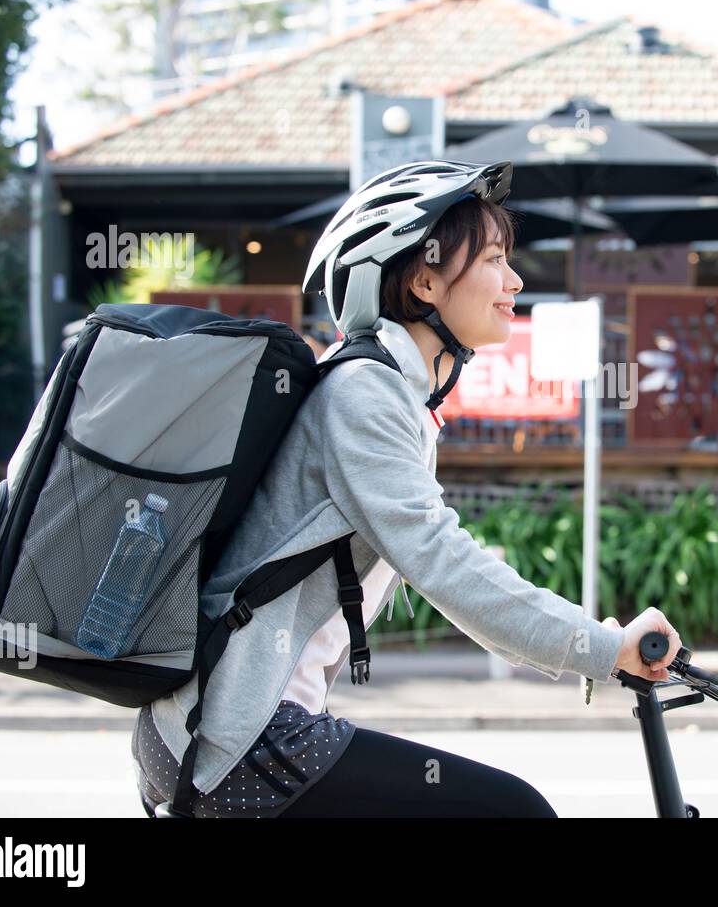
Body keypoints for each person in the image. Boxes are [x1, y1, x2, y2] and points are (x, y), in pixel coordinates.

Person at [131, 159, 682, 818]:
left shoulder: (391, 391)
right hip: (233, 738)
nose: (514, 281)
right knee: (515, 812)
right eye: (495, 259)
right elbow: (443, 563)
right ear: (424, 280)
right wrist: (599, 646)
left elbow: (447, 569)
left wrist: (591, 645)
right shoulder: (365, 393)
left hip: (226, 727)